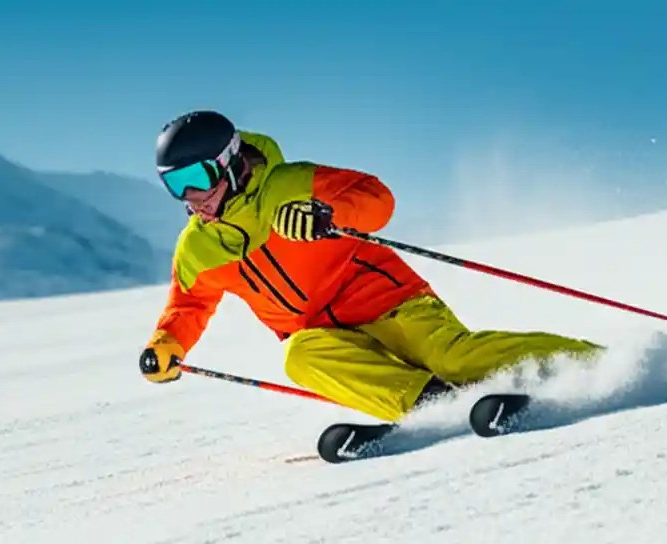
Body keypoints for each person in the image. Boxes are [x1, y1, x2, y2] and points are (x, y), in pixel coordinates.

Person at [140, 110, 599, 422]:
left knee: (451, 357)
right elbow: (188, 305)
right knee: (299, 357)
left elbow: (377, 198)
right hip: (324, 336)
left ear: (228, 162)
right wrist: (166, 345)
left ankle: (592, 361)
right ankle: (431, 404)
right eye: (175, 185)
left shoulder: (292, 183)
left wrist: (329, 215)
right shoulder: (198, 248)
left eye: (196, 178)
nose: (191, 199)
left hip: (387, 301)